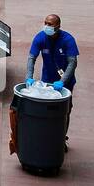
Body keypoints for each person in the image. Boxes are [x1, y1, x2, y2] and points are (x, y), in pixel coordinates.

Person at [26, 13, 78, 146]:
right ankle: (46, 137)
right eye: (45, 23)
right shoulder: (40, 38)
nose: (46, 26)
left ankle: (61, 139)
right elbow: (32, 58)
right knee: (46, 109)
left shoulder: (68, 40)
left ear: (58, 26)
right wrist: (29, 77)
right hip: (47, 80)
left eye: (50, 24)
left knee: (65, 110)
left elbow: (72, 63)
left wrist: (63, 81)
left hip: (65, 83)